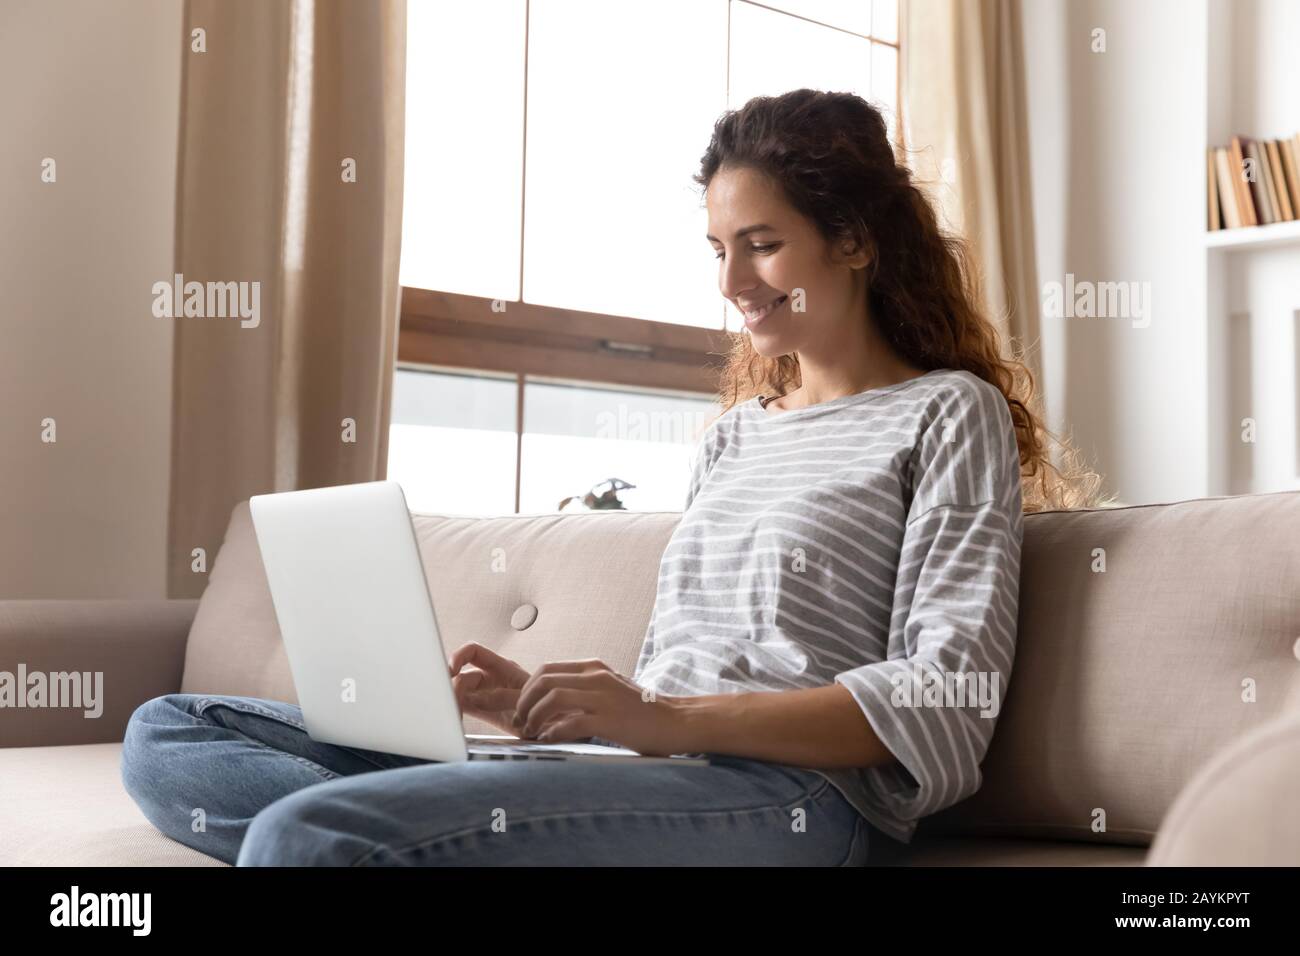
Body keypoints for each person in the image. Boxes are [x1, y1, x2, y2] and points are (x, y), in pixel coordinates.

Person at [120, 89, 1101, 866]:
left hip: (792, 799)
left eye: (762, 245)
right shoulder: (732, 440)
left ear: (853, 239)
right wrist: (537, 711)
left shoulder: (943, 412)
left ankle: (391, 839)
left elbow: (944, 693)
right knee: (171, 732)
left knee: (301, 836)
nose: (730, 283)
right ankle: (424, 839)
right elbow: (687, 667)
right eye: (719, 250)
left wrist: (658, 718)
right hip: (649, 765)